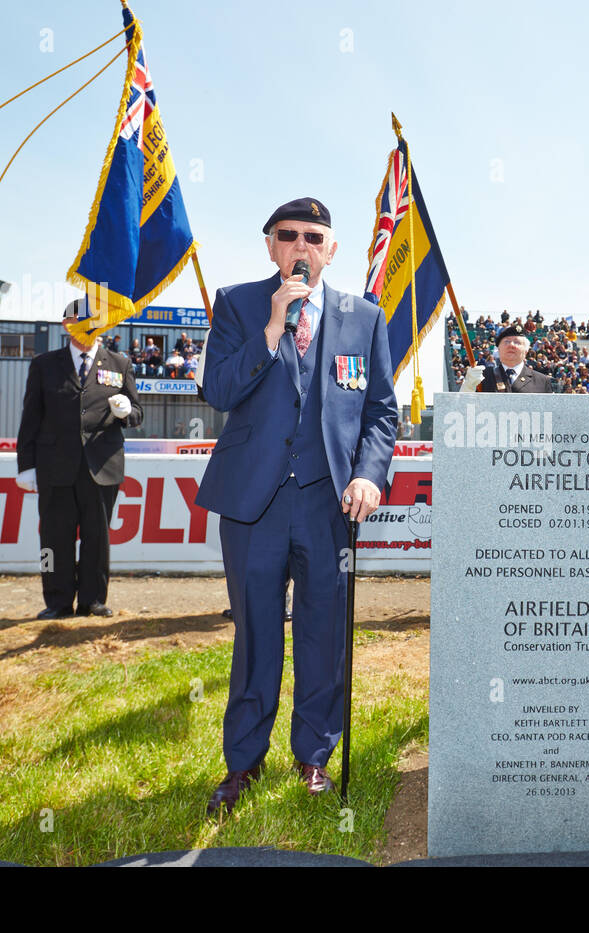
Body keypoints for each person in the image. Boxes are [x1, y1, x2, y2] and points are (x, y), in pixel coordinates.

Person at [195, 196, 396, 814]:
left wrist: (369, 475)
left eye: (314, 237)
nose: (301, 247)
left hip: (327, 505)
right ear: (270, 246)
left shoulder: (364, 316)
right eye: (289, 235)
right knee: (255, 634)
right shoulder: (237, 303)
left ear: (331, 250)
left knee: (322, 635)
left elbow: (381, 413)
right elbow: (219, 389)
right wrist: (273, 328)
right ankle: (242, 763)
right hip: (253, 504)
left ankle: (314, 756)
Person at [15, 299, 143, 619]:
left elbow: (138, 413)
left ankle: (93, 600)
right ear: (66, 324)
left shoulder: (119, 363)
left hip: (102, 465)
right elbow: (30, 417)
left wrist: (126, 413)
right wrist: (26, 465)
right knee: (54, 537)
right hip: (54, 466)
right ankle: (56, 602)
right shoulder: (44, 364)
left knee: (97, 537)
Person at [458, 326, 553, 393]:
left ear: (526, 351)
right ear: (498, 350)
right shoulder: (482, 377)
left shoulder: (542, 382)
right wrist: (468, 387)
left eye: (517, 342)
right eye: (506, 342)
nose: (511, 345)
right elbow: (462, 411)